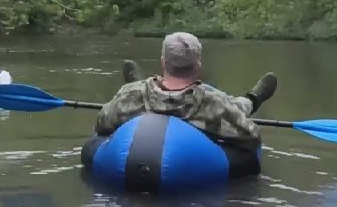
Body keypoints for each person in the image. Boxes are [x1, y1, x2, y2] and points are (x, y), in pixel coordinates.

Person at [95, 32, 278, 152]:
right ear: (197, 67)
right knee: (235, 105)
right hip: (208, 111)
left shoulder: (128, 96)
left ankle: (140, 83)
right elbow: (253, 137)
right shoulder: (213, 103)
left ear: (163, 62)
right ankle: (252, 100)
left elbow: (102, 123)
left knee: (135, 91)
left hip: (139, 101)